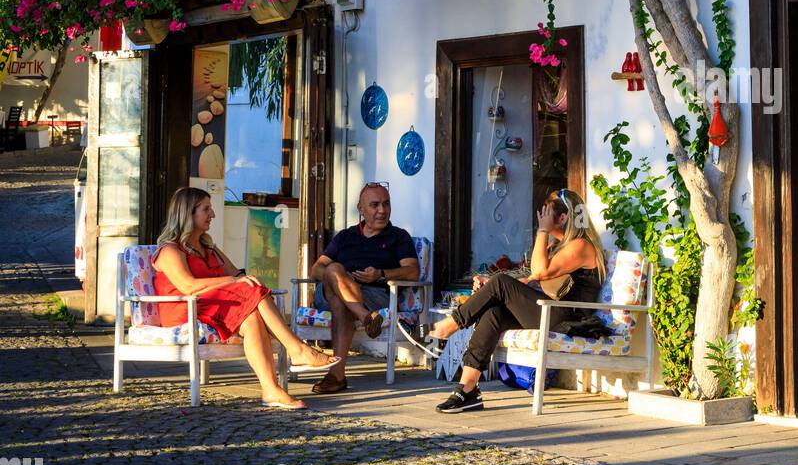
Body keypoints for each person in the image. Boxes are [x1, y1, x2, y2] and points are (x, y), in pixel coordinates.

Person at [152, 187, 337, 409]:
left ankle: (271, 390)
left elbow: (237, 275)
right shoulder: (170, 250)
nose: (213, 214)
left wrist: (243, 280)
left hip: (213, 306)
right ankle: (296, 349)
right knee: (248, 289)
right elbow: (188, 286)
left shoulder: (208, 247)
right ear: (187, 214)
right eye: (206, 209)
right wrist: (235, 282)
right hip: (185, 310)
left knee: (252, 315)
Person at [430, 189, 606, 414]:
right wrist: (488, 284)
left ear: (562, 218)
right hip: (551, 311)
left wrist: (542, 231)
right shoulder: (560, 248)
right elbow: (529, 279)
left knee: (501, 283)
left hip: (568, 318)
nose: (540, 217)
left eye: (546, 213)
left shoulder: (581, 245)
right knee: (494, 312)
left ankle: (450, 325)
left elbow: (540, 271)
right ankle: (468, 390)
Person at [307, 182, 420, 394]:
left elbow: (413, 271)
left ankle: (336, 375)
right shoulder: (345, 236)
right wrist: (339, 278)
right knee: (334, 270)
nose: (382, 210)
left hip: (374, 295)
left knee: (340, 297)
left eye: (386, 204)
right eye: (375, 205)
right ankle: (367, 318)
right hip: (343, 298)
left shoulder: (398, 236)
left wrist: (381, 274)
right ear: (361, 209)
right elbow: (316, 269)